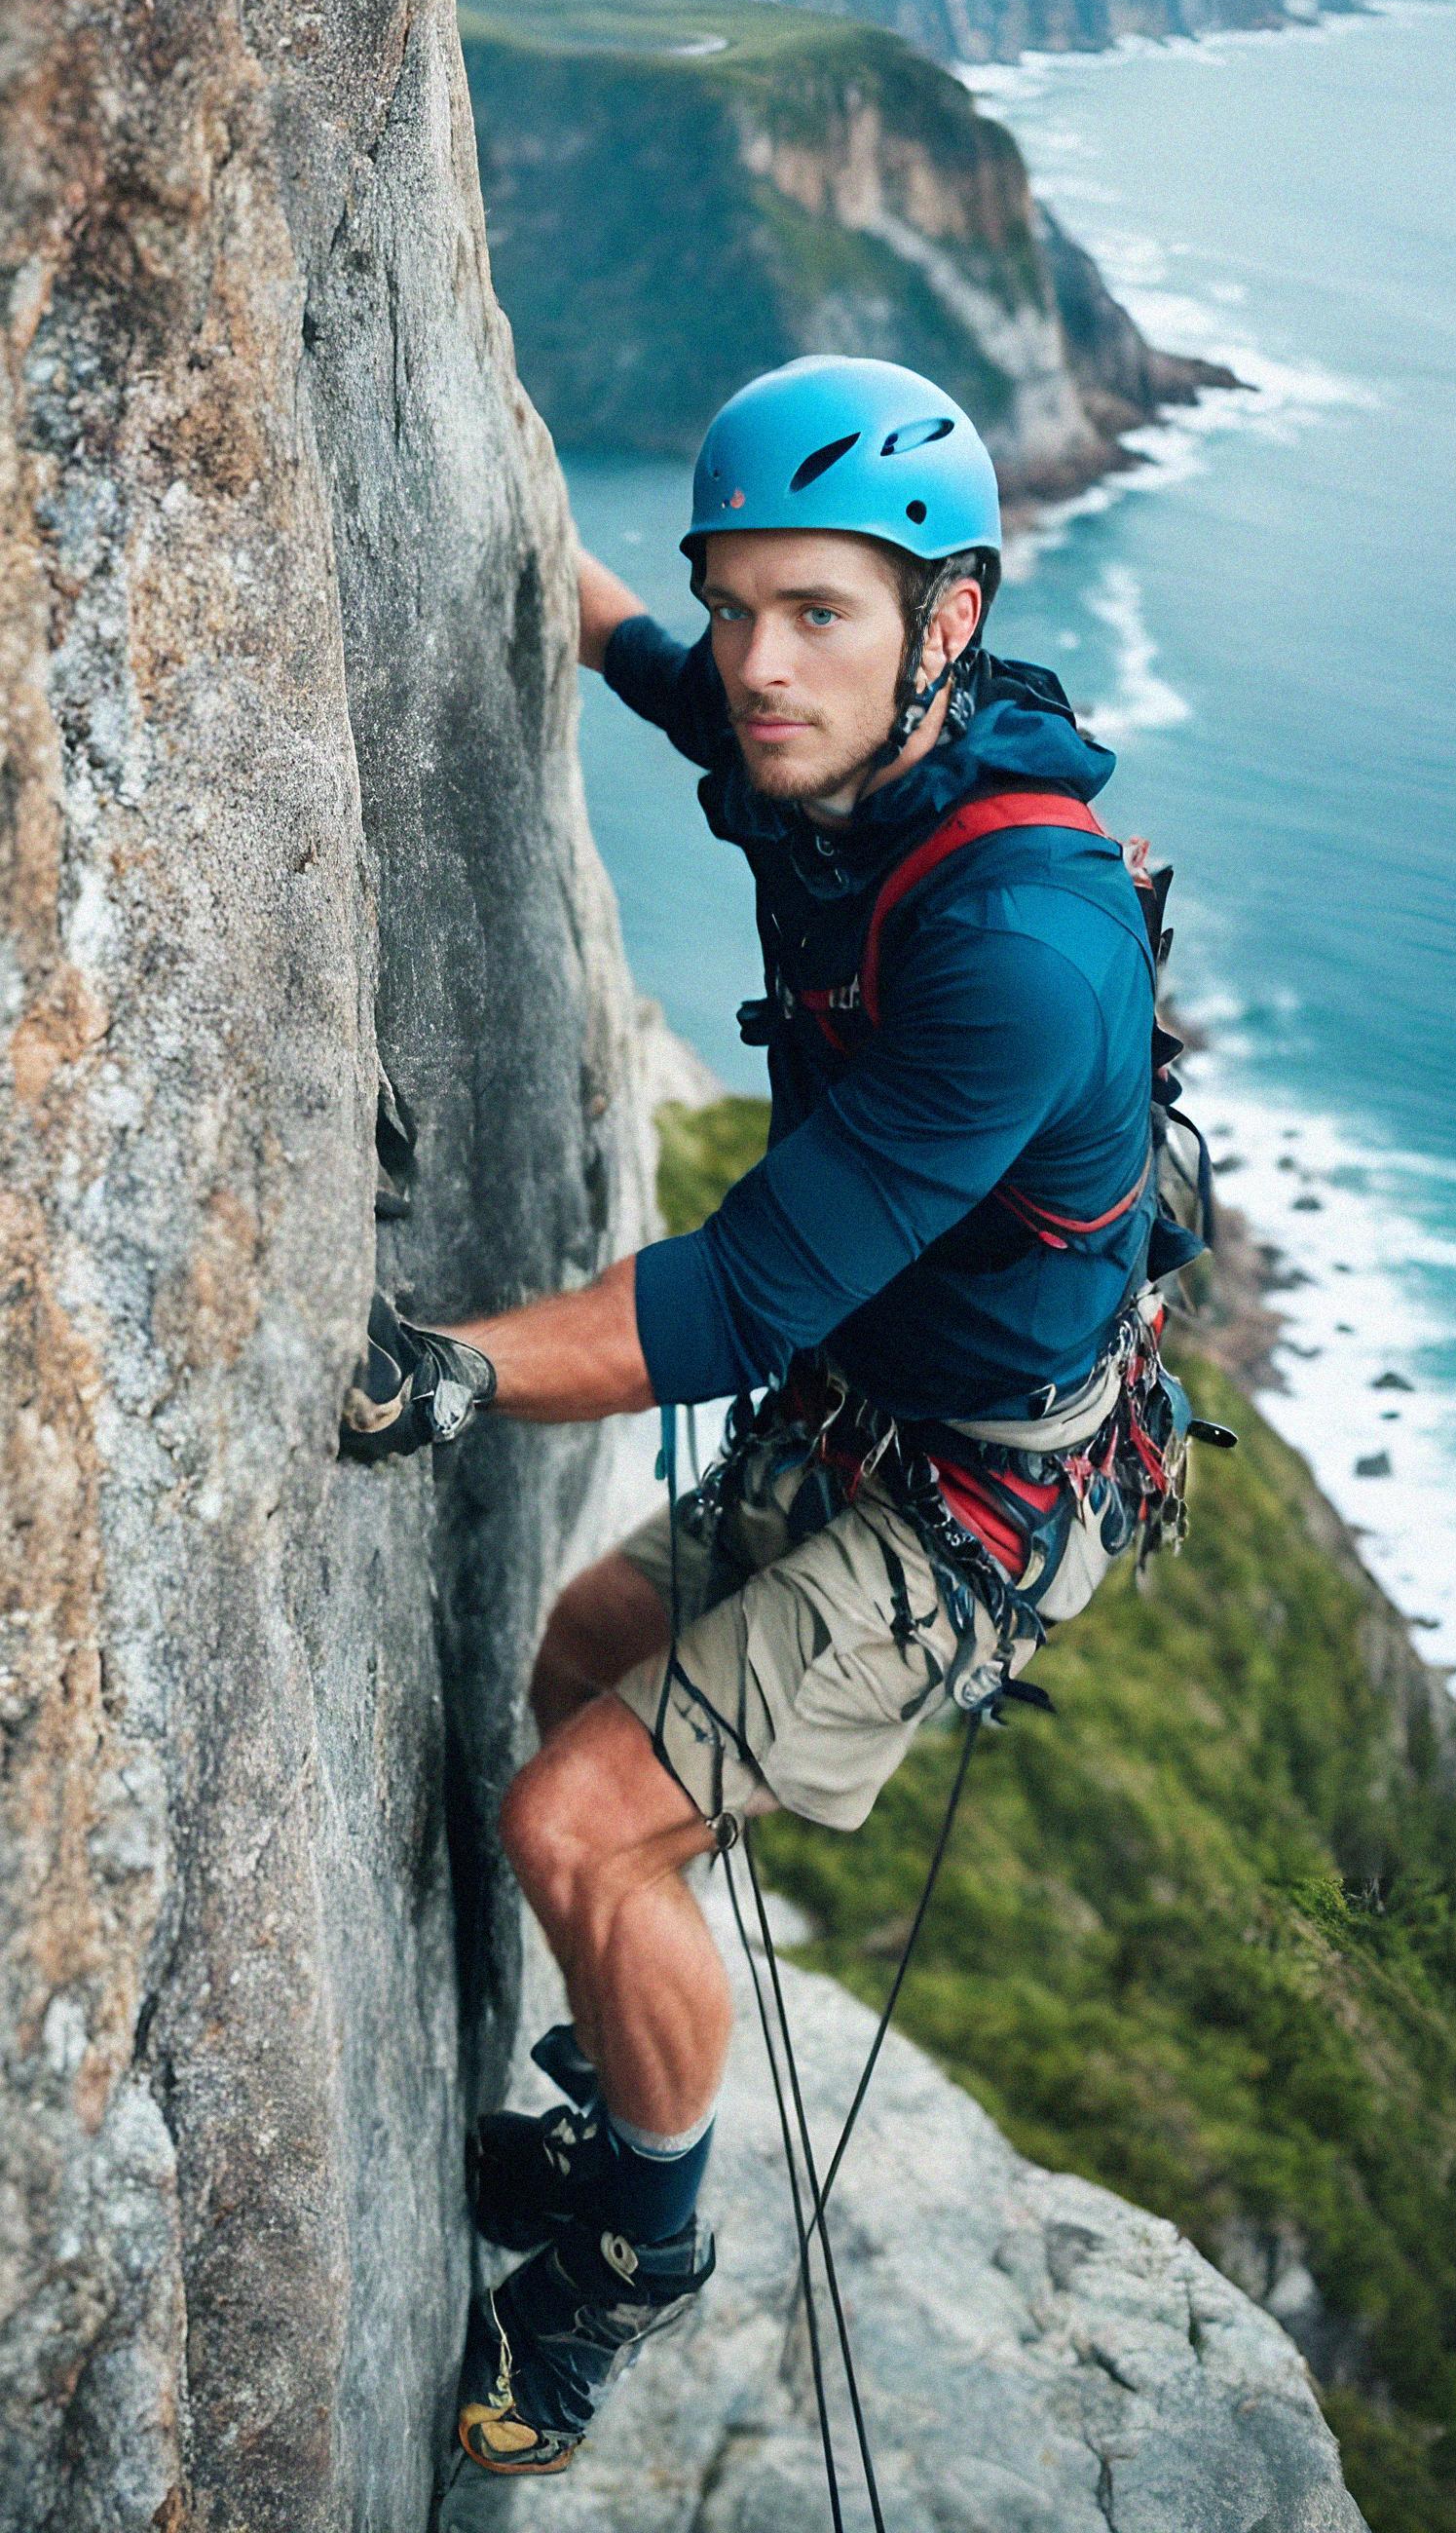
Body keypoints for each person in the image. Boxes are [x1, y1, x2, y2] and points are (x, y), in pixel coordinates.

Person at [340, 355, 1203, 2476]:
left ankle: (638, 2251)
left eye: (817, 612)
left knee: (573, 1824)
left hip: (971, 1503)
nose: (758, 665)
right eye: (741, 606)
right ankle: (638, 2071)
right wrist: (548, 544)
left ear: (949, 621)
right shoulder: (836, 759)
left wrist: (443, 1368)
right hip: (880, 1411)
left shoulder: (1018, 945)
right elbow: (672, 685)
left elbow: (738, 1297)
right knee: (579, 1664)